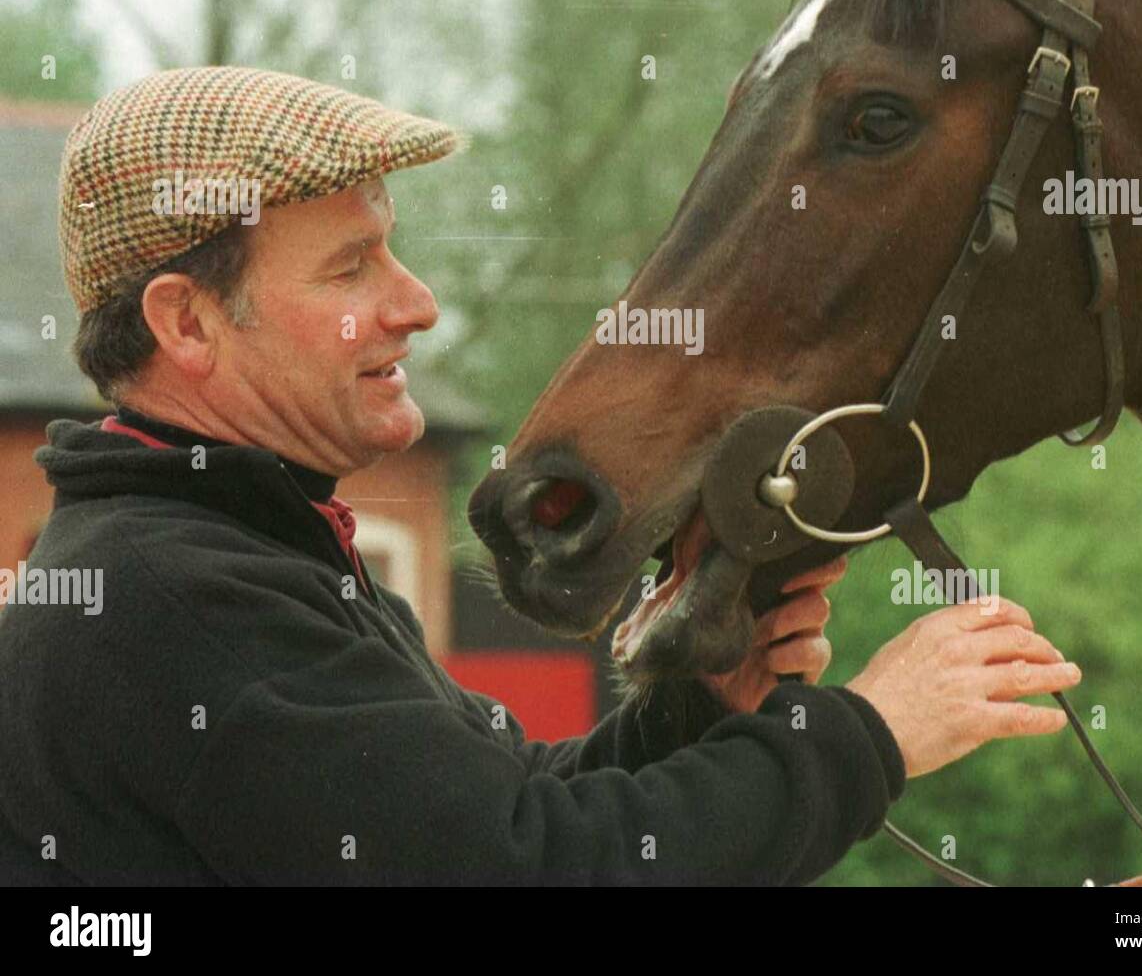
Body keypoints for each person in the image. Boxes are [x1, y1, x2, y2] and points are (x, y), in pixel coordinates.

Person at [0, 67, 1081, 886]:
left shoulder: (233, 548)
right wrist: (873, 732)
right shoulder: (179, 600)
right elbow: (530, 874)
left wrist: (698, 709)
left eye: (392, 250)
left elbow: (493, 818)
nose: (415, 303)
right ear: (186, 322)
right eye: (349, 267)